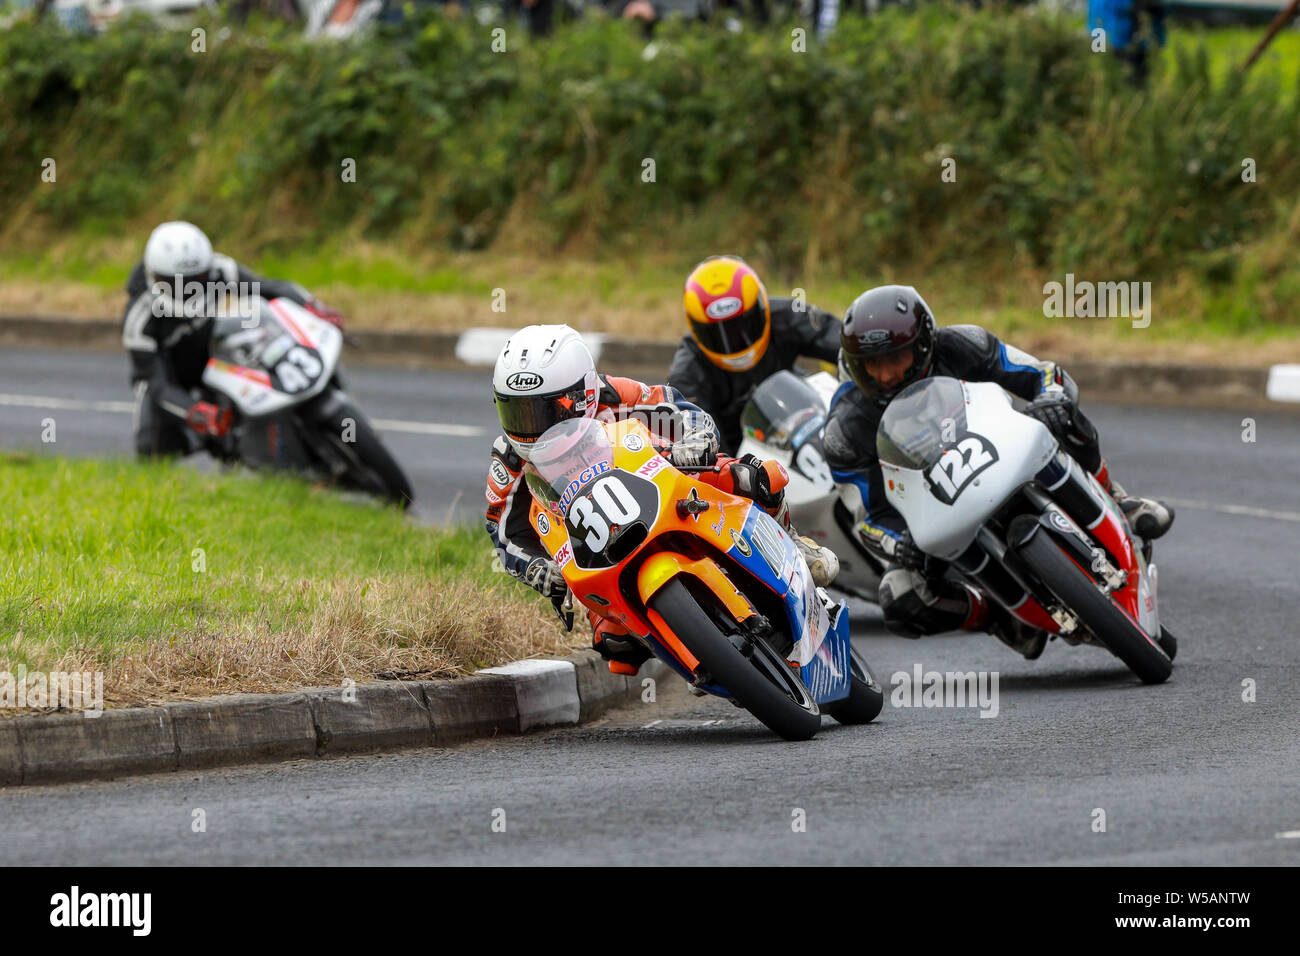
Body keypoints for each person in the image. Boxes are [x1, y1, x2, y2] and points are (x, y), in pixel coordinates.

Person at [822, 285, 1174, 658]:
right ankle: (1000, 618)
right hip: (937, 509)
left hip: (1002, 448)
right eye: (872, 365)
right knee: (899, 595)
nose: (886, 375)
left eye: (896, 358)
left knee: (1062, 415)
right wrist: (899, 542)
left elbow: (1043, 374)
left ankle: (1116, 497)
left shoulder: (964, 344)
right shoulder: (845, 431)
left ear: (924, 346)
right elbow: (868, 518)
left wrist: (1051, 398)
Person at [485, 324, 839, 674]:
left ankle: (791, 543)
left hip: (662, 482)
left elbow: (680, 409)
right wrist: (534, 568)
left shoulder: (613, 395)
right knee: (615, 646)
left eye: (540, 412)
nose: (529, 428)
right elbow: (501, 528)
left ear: (582, 396)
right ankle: (691, 645)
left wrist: (697, 437)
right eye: (515, 413)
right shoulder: (511, 457)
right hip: (592, 545)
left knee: (757, 478)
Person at [121, 221, 343, 458]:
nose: (189, 289)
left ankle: (292, 433)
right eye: (176, 284)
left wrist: (313, 306)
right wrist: (194, 411)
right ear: (153, 276)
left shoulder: (220, 269)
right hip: (168, 372)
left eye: (197, 279)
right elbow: (156, 383)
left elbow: (267, 287)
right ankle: (198, 442)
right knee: (151, 447)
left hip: (212, 354)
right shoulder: (139, 319)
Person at [667, 255, 841, 454]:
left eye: (745, 325)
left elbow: (848, 343)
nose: (733, 342)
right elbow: (698, 446)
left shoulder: (788, 316)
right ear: (696, 329)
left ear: (761, 307)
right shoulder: (686, 377)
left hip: (804, 425)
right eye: (717, 334)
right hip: (739, 457)